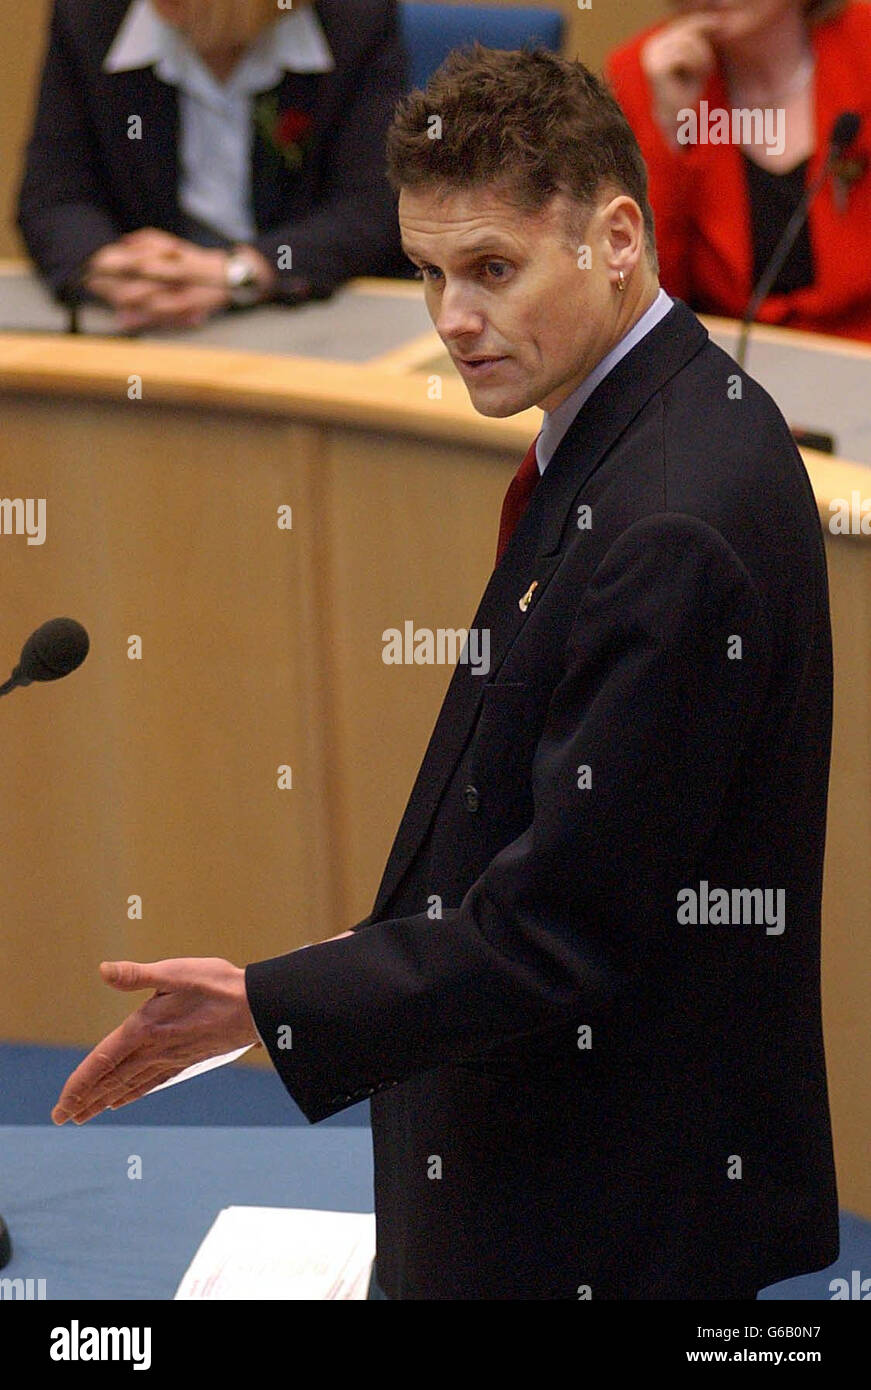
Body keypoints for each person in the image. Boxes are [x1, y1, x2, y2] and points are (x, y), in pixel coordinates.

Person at [52, 44, 839, 1301]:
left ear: (616, 237)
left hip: (600, 1213)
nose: (452, 321)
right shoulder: (637, 422)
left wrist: (271, 1003)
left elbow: (557, 937)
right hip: (551, 1160)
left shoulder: (674, 518)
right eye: (426, 273)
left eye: (491, 271)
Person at [17, 0, 408, 330]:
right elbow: (54, 198)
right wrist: (116, 270)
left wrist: (239, 274)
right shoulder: (90, 14)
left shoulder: (354, 18)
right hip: (144, 322)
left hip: (309, 318)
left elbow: (372, 209)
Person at [606, 0, 871, 341]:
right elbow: (641, 301)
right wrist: (668, 132)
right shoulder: (644, 74)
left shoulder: (862, 43)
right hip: (720, 366)